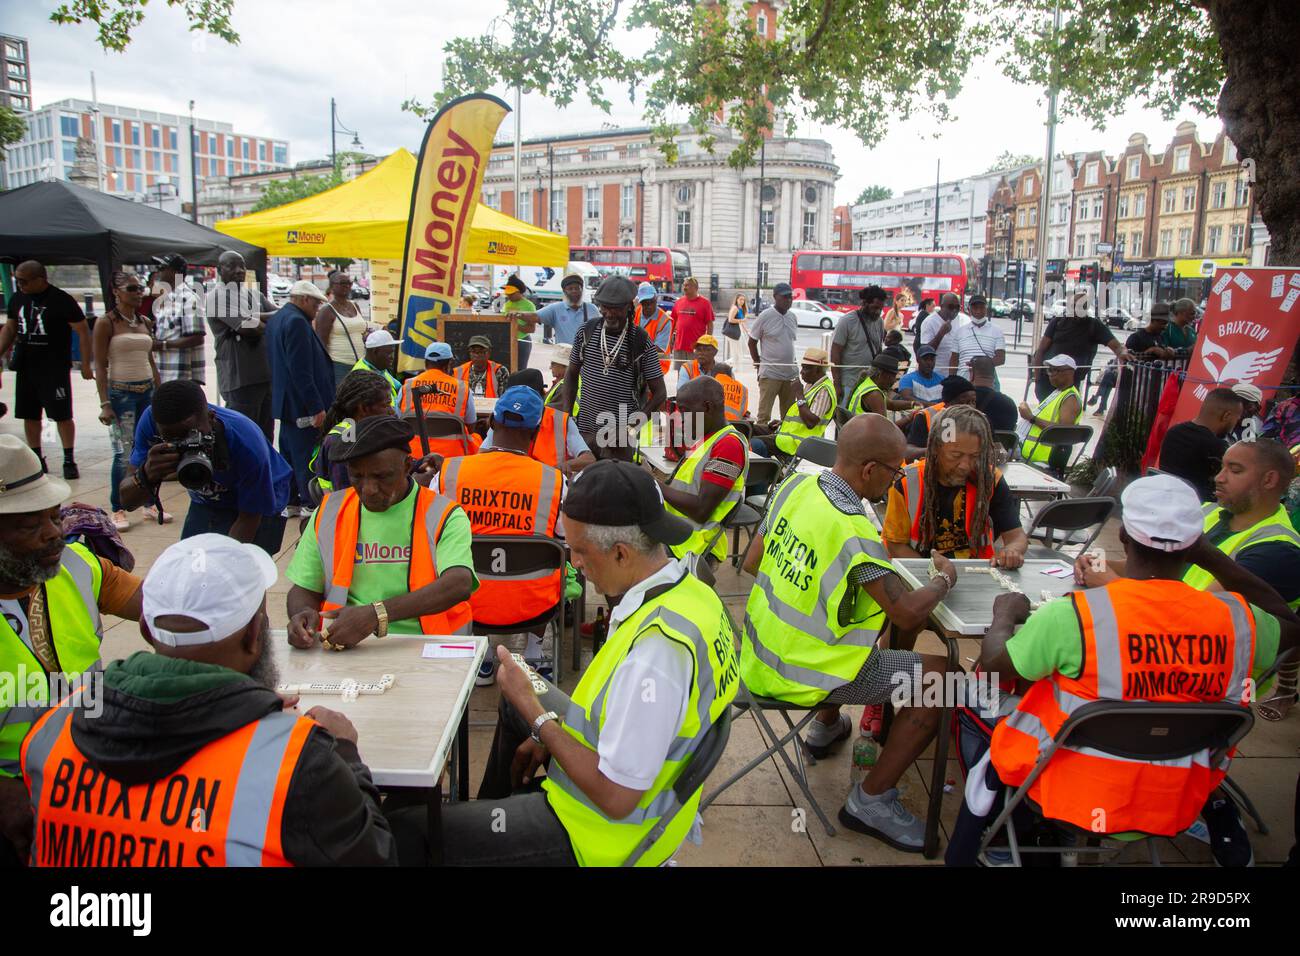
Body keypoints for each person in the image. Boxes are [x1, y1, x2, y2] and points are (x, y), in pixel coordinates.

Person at [387, 460, 739, 867]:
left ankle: (490, 836)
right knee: (517, 689)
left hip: (599, 836)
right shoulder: (692, 592)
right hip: (627, 774)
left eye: (581, 551)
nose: (574, 563)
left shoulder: (658, 655)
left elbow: (616, 797)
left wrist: (540, 722)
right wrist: (538, 724)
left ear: (622, 553)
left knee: (406, 828)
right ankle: (491, 826)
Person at [21, 534, 398, 867]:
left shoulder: (51, 729)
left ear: (146, 630)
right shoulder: (300, 762)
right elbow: (377, 854)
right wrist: (345, 753)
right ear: (255, 635)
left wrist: (245, 709)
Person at [986, 474, 1298, 864]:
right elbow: (1290, 624)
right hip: (1175, 800)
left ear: (1124, 537)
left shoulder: (1074, 616)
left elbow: (994, 665)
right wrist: (1209, 556)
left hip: (1062, 789)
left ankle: (990, 833)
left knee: (986, 702)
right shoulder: (1241, 622)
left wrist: (1003, 616)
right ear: (1194, 544)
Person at [741, 414, 956, 851]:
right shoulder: (854, 531)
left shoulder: (795, 486)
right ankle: (870, 801)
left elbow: (751, 562)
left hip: (757, 655)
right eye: (895, 471)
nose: (896, 480)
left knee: (842, 621)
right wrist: (943, 579)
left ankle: (825, 728)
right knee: (943, 678)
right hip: (805, 673)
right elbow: (908, 614)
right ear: (869, 470)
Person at [0, 438, 144, 866]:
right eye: (31, 524)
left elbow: (169, 611)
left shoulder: (78, 566)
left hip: (84, 778)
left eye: (53, 516)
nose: (53, 534)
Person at [286, 415, 476, 648]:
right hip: (341, 644)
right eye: (356, 476)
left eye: (382, 476)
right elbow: (303, 588)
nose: (369, 490)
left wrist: (375, 615)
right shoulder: (330, 512)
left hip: (429, 646)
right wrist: (303, 615)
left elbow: (458, 583)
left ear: (408, 465)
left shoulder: (444, 514)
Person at [437, 386, 565, 682]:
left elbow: (430, 535)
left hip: (466, 603)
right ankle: (534, 653)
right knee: (554, 560)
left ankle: (483, 657)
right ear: (535, 432)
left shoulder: (449, 472)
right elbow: (563, 540)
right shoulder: (554, 481)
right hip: (536, 607)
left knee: (462, 561)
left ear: (492, 423)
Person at [1190, 438, 1300, 719]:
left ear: (1269, 479)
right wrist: (1095, 562)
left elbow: (1190, 614)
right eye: (1221, 467)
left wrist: (1105, 579)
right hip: (1171, 647)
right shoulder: (1211, 513)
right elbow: (1139, 564)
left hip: (1218, 682)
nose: (1219, 477)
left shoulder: (1277, 549)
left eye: (1234, 470)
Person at [122, 380, 292, 554]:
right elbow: (127, 501)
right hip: (208, 499)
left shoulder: (246, 443)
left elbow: (248, 519)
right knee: (190, 564)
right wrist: (145, 474)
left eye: (191, 436)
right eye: (171, 439)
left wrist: (220, 565)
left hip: (264, 499)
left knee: (242, 571)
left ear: (211, 418)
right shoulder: (152, 421)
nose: (183, 444)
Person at [885, 403, 1028, 581]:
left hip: (977, 576)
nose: (965, 465)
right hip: (920, 577)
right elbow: (895, 545)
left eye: (975, 456)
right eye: (955, 455)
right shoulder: (907, 482)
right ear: (936, 449)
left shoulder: (991, 479)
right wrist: (937, 575)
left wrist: (1012, 550)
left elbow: (1017, 536)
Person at [0, 260, 93, 479]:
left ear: (40, 279)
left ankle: (68, 458)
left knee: (62, 415)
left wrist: (86, 363)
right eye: (17, 280)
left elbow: (82, 331)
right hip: (26, 365)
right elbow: (11, 327)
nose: (20, 284)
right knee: (29, 414)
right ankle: (36, 457)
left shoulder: (61, 300)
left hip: (54, 367)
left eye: (24, 281)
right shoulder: (18, 298)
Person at [562, 275, 667, 462]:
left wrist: (630, 429)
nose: (609, 314)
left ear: (629, 306)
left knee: (614, 487)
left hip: (619, 442)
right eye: (605, 307)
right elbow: (571, 374)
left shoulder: (641, 342)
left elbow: (660, 394)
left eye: (616, 308)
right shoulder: (586, 332)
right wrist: (566, 418)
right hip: (584, 433)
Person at [94, 271, 164, 532]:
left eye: (140, 289)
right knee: (123, 453)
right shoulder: (106, 323)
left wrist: (160, 393)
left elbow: (151, 361)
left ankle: (149, 502)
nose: (138, 294)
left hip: (147, 392)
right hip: (121, 393)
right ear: (116, 292)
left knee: (147, 448)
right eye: (132, 289)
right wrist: (105, 403)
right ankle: (118, 507)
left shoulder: (144, 320)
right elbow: (100, 366)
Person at [657, 375, 748, 565]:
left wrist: (654, 484)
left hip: (692, 546)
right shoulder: (706, 439)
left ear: (707, 407)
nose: (681, 417)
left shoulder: (728, 446)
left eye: (685, 411)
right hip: (677, 533)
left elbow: (701, 510)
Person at [267, 280, 335, 515]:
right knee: (305, 453)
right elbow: (300, 369)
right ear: (304, 299)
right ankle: (307, 501)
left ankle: (292, 499)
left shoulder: (278, 318)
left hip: (286, 402)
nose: (317, 310)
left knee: (288, 449)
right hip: (301, 404)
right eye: (315, 305)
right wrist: (316, 406)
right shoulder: (296, 322)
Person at [204, 250, 276, 440]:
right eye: (232, 266)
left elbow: (282, 316)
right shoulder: (216, 297)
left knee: (266, 436)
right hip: (240, 380)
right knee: (244, 437)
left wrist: (255, 317)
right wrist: (256, 320)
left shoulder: (254, 295)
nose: (239, 270)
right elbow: (249, 328)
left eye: (242, 265)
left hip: (264, 377)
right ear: (219, 270)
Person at [483, 369, 594, 476]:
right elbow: (482, 452)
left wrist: (565, 466)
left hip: (545, 485)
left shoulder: (561, 422)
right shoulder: (504, 418)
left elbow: (588, 459)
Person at [309, 369, 396, 498]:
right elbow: (348, 498)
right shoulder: (343, 442)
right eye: (387, 404)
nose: (392, 411)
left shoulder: (365, 431)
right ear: (364, 408)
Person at [1030, 290, 1129, 400]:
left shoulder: (1094, 325)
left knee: (1066, 411)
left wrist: (1122, 352)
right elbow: (1041, 350)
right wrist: (1038, 380)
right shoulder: (1058, 322)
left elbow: (1115, 345)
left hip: (1071, 379)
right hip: (1048, 378)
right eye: (1073, 306)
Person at [1158, 387, 1244, 502]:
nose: (1235, 424)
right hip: (1197, 508)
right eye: (1236, 419)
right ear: (1226, 416)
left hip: (1164, 498)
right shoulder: (1217, 447)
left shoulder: (1174, 432)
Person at [766, 347, 837, 459]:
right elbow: (801, 415)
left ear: (817, 370)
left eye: (806, 368)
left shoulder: (824, 390)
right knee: (750, 430)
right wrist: (783, 422)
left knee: (755, 444)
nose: (801, 372)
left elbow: (811, 422)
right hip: (788, 437)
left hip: (797, 444)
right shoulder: (812, 384)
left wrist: (799, 394)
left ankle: (772, 473)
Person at [1017, 353, 1082, 469]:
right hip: (1028, 453)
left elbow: (1063, 432)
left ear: (1069, 372)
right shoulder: (1059, 392)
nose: (1050, 375)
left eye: (1054, 370)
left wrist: (1031, 418)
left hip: (1041, 461)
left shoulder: (1070, 398)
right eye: (1049, 370)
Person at [748, 282, 801, 421]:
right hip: (770, 374)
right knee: (764, 415)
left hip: (790, 375)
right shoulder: (765, 316)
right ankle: (761, 442)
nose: (788, 300)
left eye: (790, 297)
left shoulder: (793, 317)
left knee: (789, 416)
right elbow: (752, 342)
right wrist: (758, 364)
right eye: (785, 297)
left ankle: (783, 441)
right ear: (775, 297)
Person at [150, 253, 206, 386]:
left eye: (162, 267)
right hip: (165, 374)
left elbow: (197, 337)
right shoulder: (168, 298)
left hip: (182, 378)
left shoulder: (189, 298)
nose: (158, 271)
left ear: (176, 272)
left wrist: (162, 344)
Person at [314, 271, 369, 390]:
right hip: (339, 365)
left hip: (360, 364)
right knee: (343, 400)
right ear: (332, 286)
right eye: (343, 283)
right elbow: (321, 344)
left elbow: (361, 330)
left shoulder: (355, 305)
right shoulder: (326, 311)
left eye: (349, 283)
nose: (347, 286)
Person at [832, 285, 886, 405]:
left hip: (869, 384)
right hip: (848, 383)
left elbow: (879, 350)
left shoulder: (880, 322)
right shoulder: (847, 321)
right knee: (846, 421)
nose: (878, 312)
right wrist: (837, 384)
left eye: (881, 309)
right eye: (875, 308)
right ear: (864, 303)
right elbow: (835, 354)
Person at [905, 374, 978, 458]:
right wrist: (935, 450)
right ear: (947, 404)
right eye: (964, 402)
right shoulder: (926, 416)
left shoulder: (979, 419)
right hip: (932, 467)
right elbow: (908, 451)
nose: (971, 407)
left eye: (973, 402)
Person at [948, 294, 1005, 381]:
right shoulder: (960, 332)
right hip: (963, 380)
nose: (978, 311)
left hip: (987, 381)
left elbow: (1001, 359)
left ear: (986, 309)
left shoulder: (997, 331)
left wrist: (979, 365)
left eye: (981, 308)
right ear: (969, 310)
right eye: (975, 308)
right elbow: (954, 359)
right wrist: (951, 379)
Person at [845, 353, 916, 420]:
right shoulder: (874, 394)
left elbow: (892, 404)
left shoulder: (867, 383)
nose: (894, 381)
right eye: (893, 376)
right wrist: (909, 417)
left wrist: (913, 404)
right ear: (881, 374)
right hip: (862, 431)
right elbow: (885, 427)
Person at [538, 271, 597, 346]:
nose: (574, 291)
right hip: (564, 355)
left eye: (577, 288)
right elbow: (534, 316)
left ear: (582, 289)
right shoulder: (555, 308)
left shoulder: (592, 309)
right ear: (564, 291)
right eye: (570, 289)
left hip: (586, 354)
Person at [919, 292, 967, 379]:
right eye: (951, 307)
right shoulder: (929, 322)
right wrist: (941, 333)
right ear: (941, 306)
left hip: (957, 375)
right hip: (936, 375)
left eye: (957, 307)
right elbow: (924, 353)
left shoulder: (963, 320)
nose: (954, 310)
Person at [352, 329, 403, 408]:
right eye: (389, 353)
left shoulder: (380, 368)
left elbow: (399, 387)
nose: (392, 357)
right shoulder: (362, 376)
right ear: (375, 352)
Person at [669, 276, 714, 363]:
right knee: (681, 374)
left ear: (696, 288)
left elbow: (710, 324)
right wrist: (670, 339)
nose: (685, 288)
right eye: (684, 285)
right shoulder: (678, 302)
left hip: (697, 348)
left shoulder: (705, 303)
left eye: (688, 285)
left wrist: (707, 342)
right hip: (679, 347)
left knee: (695, 374)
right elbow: (673, 322)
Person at [966, 357, 1015, 436]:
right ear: (994, 376)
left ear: (972, 375)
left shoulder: (962, 400)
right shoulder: (1009, 404)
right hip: (999, 447)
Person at [634, 281, 675, 376]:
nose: (648, 306)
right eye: (644, 303)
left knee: (649, 390)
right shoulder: (636, 312)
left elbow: (659, 348)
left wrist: (634, 347)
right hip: (638, 362)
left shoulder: (665, 321)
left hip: (657, 366)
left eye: (651, 302)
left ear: (656, 300)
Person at [501, 274, 538, 370]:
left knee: (520, 369)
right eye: (507, 293)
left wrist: (514, 325)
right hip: (507, 340)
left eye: (512, 293)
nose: (509, 296)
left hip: (522, 341)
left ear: (520, 292)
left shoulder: (529, 306)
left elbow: (532, 329)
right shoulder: (507, 304)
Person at [724, 292, 748, 366]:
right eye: (740, 299)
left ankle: (735, 366)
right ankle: (728, 365)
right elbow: (730, 320)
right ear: (737, 299)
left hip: (739, 330)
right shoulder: (735, 308)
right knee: (736, 351)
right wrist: (741, 320)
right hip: (734, 331)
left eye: (743, 300)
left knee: (740, 350)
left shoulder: (741, 308)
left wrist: (747, 331)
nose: (742, 301)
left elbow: (742, 321)